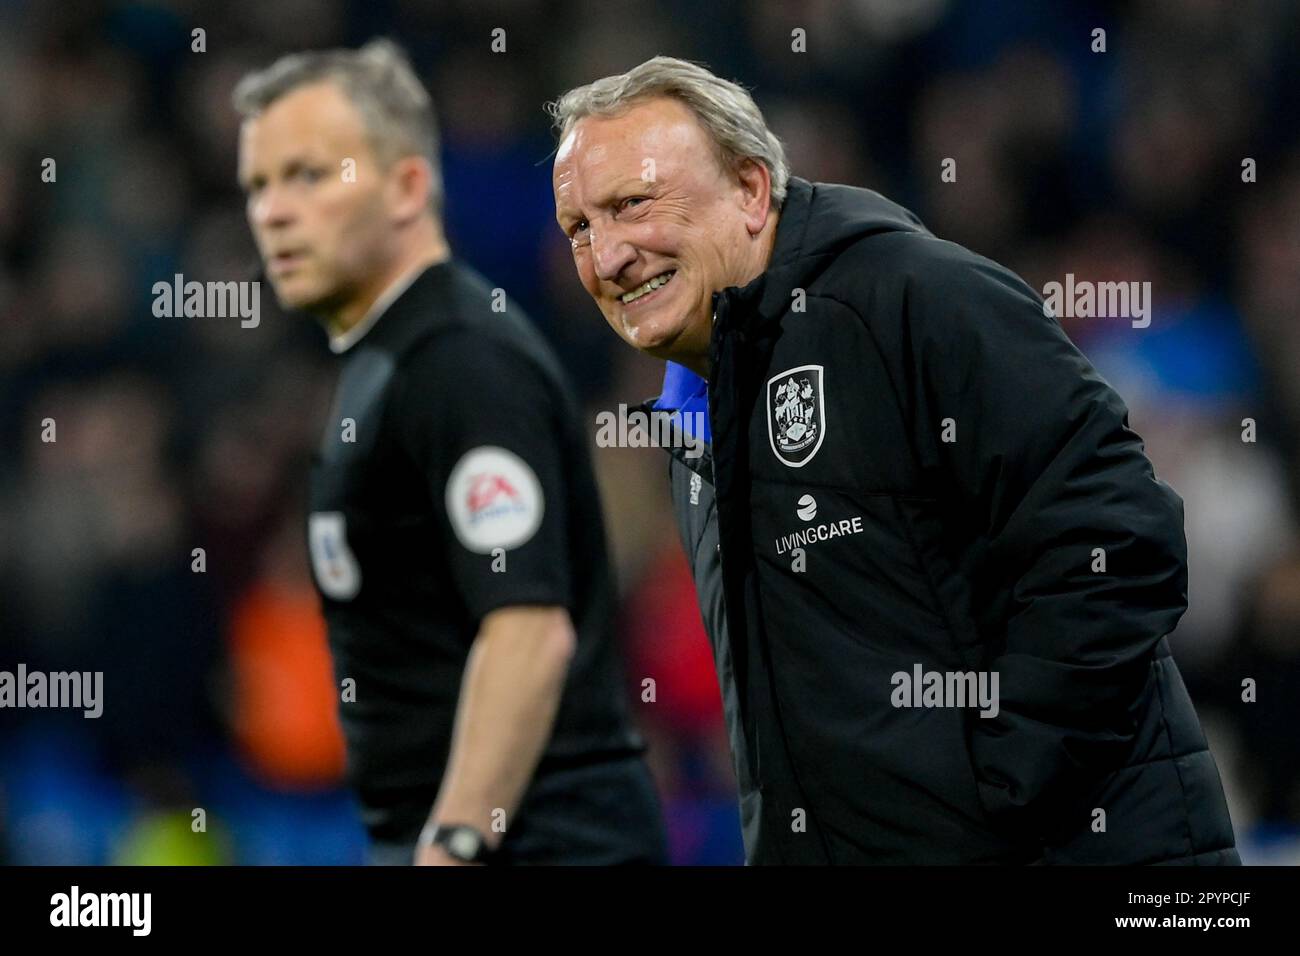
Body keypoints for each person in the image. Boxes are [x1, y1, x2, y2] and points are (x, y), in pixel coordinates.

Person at [549, 56, 1239, 865]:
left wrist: (1003, 794)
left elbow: (1118, 538)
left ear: (750, 190)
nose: (607, 256)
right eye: (580, 228)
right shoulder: (696, 412)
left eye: (633, 204)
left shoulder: (913, 299)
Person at [234, 39, 666, 865]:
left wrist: (454, 843)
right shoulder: (387, 361)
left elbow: (528, 631)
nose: (274, 211)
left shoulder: (461, 361)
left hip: (537, 845)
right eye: (260, 184)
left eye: (310, 176)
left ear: (406, 186)